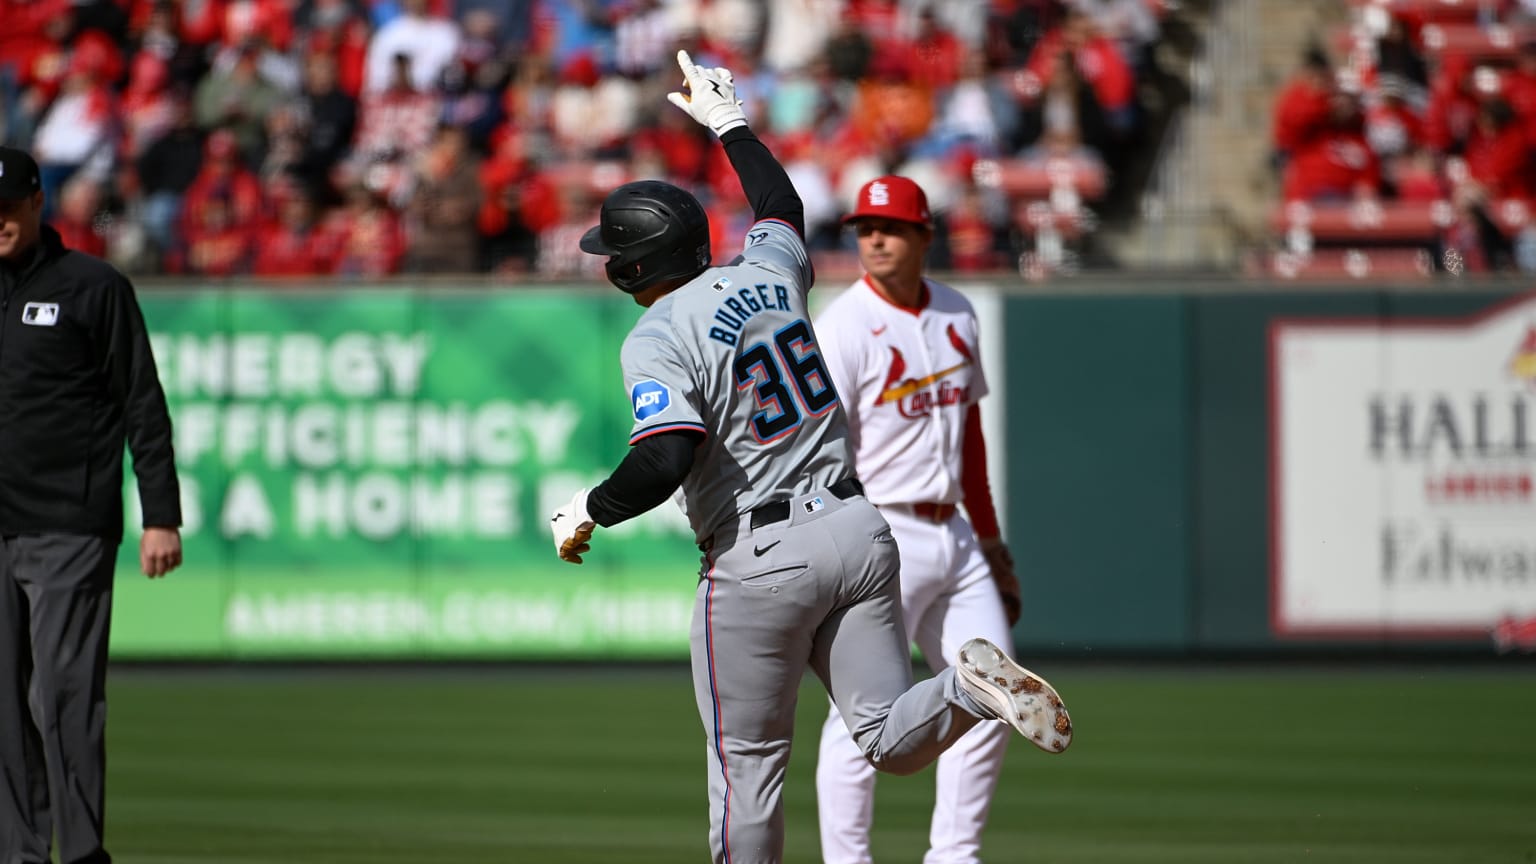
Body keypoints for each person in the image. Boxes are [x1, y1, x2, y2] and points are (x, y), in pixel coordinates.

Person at [549, 51, 1072, 864]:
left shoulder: (655, 335)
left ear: (631, 268)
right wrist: (730, 123)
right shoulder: (771, 270)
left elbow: (666, 455)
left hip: (760, 558)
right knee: (889, 736)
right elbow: (780, 201)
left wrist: (587, 507)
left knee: (749, 774)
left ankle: (965, 690)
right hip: (859, 532)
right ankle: (968, 689)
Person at [812, 174, 1023, 864]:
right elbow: (820, 448)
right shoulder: (841, 325)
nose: (874, 238)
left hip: (956, 535)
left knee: (999, 691)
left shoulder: (958, 313)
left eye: (891, 227)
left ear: (924, 236)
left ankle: (953, 857)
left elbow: (970, 439)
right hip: (882, 533)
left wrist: (991, 541)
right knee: (860, 718)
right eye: (864, 228)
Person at [0, 145, 184, 864]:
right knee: (5, 712)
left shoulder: (93, 287)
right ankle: (17, 853)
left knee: (63, 700)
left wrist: (160, 515)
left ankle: (79, 853)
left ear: (37, 201)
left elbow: (143, 404)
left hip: (68, 523)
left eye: (8, 208)